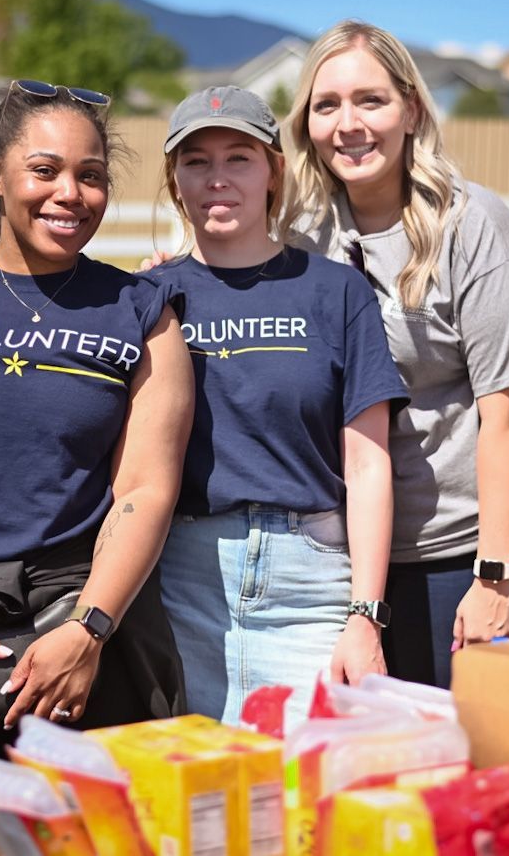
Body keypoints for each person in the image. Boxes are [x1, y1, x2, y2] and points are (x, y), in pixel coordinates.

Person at [0, 80, 192, 853]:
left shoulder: (142, 310)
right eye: (45, 169)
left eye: (91, 176)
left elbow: (145, 488)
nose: (71, 194)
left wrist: (89, 631)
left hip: (76, 623)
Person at [286, 21, 509, 687]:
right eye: (328, 105)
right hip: (350, 554)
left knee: (453, 755)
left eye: (370, 101)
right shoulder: (299, 235)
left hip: (464, 549)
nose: (348, 124)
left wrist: (495, 576)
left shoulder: (475, 228)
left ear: (411, 109)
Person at [150, 86, 406, 727]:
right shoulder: (148, 296)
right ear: (174, 179)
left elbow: (369, 464)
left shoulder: (337, 291)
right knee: (195, 801)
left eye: (239, 158)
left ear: (274, 172)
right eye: (195, 161)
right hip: (183, 577)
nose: (217, 179)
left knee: (307, 801)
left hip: (310, 583)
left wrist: (365, 615)